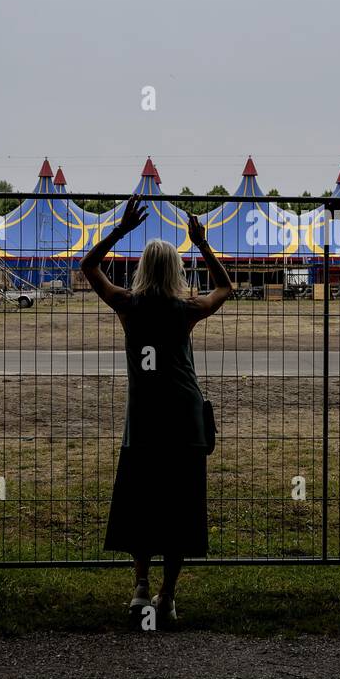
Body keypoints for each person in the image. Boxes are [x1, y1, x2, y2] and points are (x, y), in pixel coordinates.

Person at [81, 196, 233, 628]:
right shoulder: (186, 309)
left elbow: (90, 268)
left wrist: (119, 230)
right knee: (180, 503)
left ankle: (141, 587)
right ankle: (167, 596)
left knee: (142, 499)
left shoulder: (129, 306)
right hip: (183, 414)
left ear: (144, 269)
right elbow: (225, 288)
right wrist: (201, 244)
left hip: (145, 416)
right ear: (178, 272)